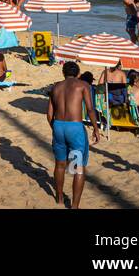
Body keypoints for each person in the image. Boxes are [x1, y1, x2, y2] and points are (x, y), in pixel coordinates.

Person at [48, 61, 101, 208]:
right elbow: (90, 109)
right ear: (78, 74)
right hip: (75, 128)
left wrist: (56, 128)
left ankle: (59, 199)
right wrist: (96, 129)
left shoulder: (56, 87)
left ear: (63, 73)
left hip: (58, 126)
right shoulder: (83, 85)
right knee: (77, 167)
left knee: (60, 165)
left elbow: (49, 114)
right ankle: (75, 206)